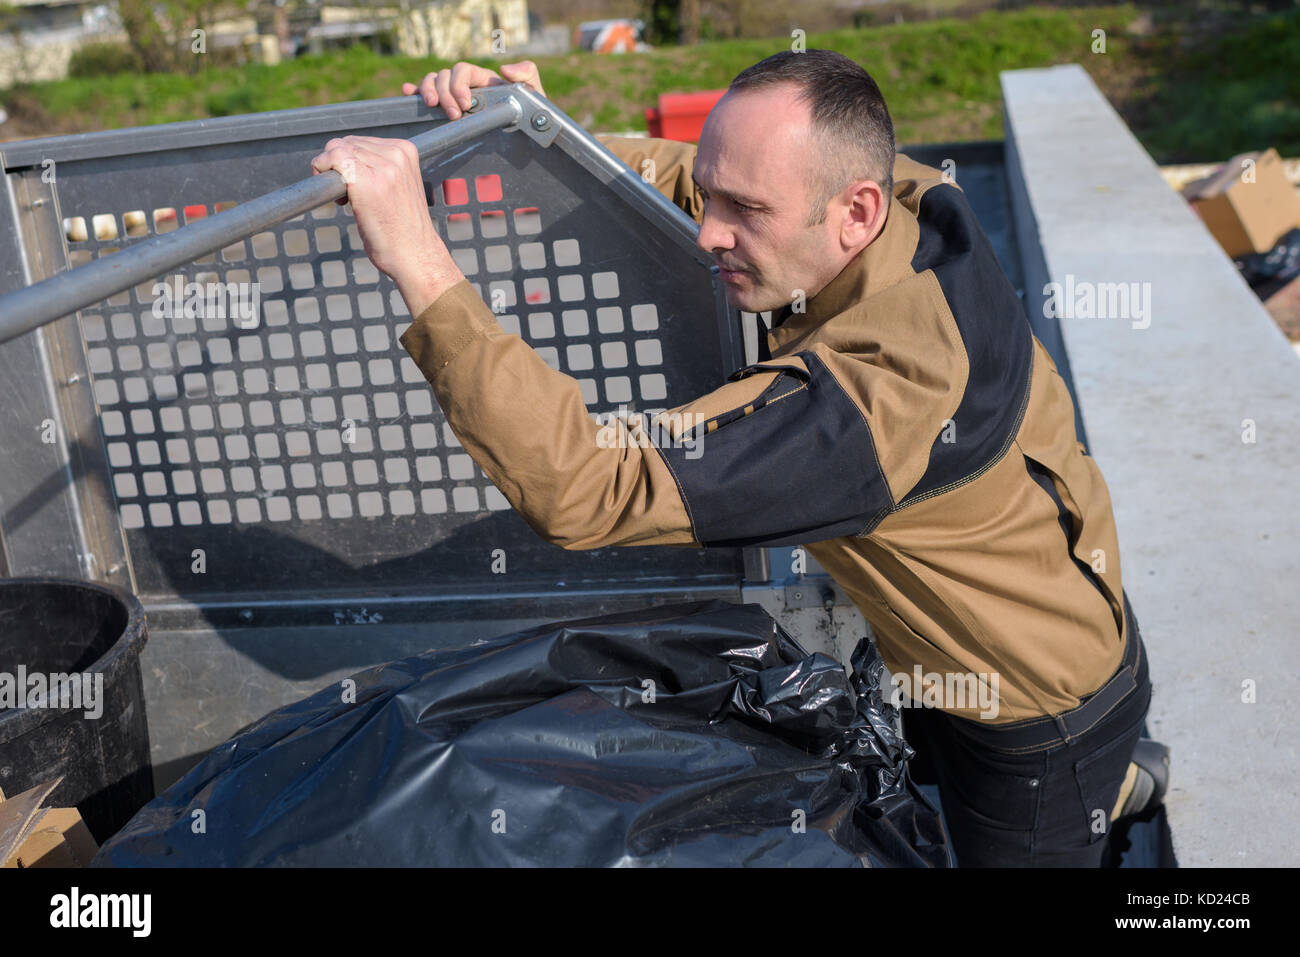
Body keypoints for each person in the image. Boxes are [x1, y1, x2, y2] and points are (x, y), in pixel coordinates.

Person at [309, 50, 1168, 866]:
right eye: (716, 199)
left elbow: (588, 486)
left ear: (855, 211)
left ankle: (1111, 785)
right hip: (1016, 633)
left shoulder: (871, 406)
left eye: (745, 214)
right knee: (947, 757)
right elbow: (685, 176)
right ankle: (1125, 774)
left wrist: (416, 258)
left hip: (1037, 725)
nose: (706, 233)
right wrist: (539, 137)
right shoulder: (918, 202)